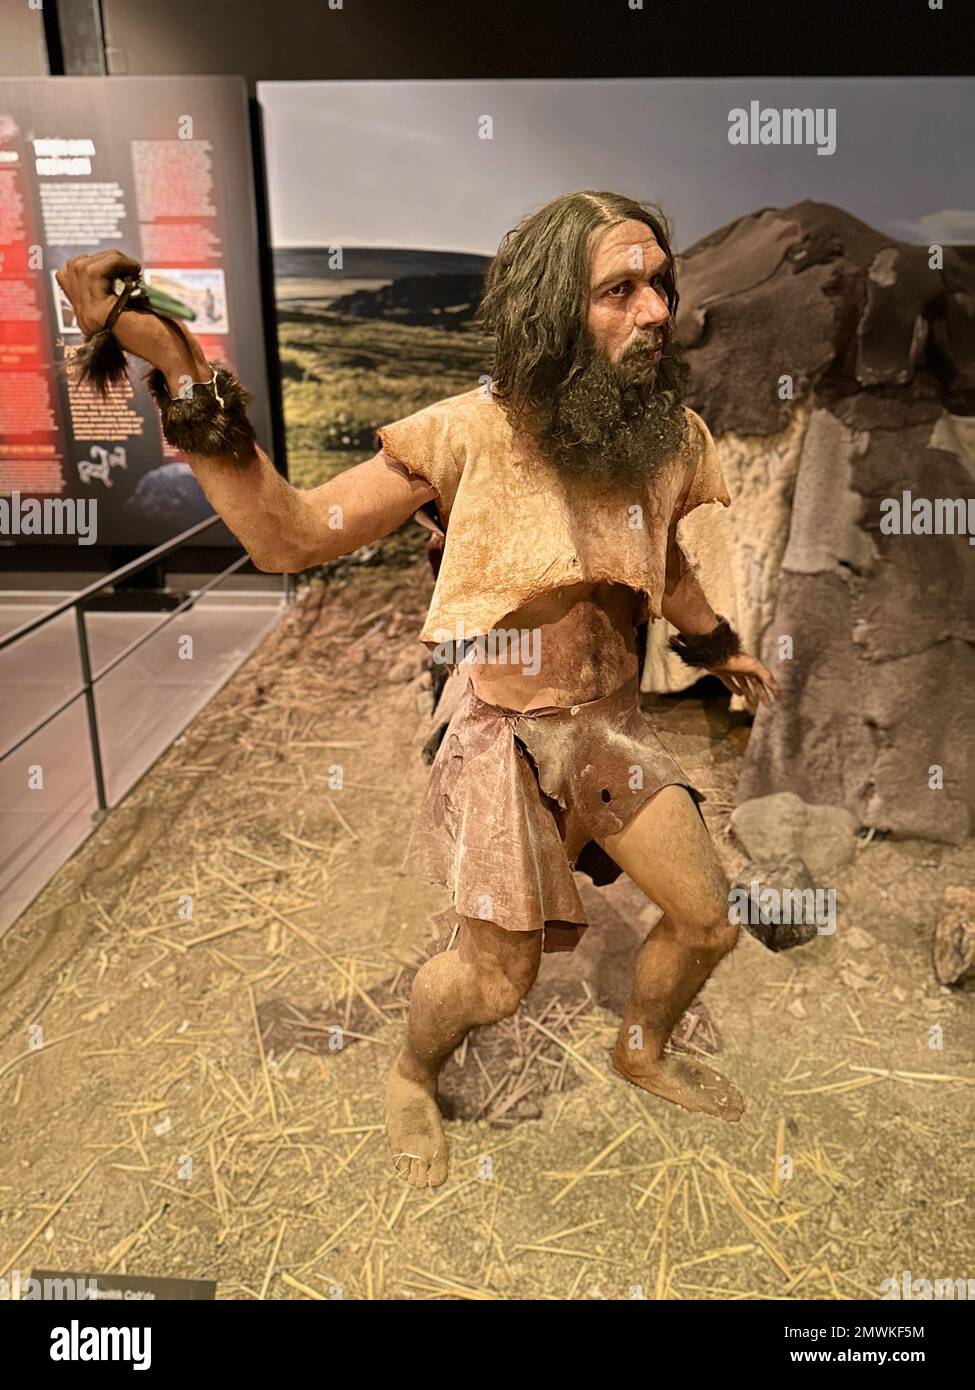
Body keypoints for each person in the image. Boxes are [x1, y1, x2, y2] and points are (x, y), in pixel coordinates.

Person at [57, 189, 777, 1191]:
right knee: (494, 979)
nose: (656, 311)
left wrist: (718, 646)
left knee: (708, 919)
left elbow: (664, 563)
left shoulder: (661, 434)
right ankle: (409, 1071)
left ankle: (640, 1046)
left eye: (659, 283)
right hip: (513, 744)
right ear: (551, 309)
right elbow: (292, 535)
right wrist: (184, 374)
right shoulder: (465, 438)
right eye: (620, 289)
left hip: (608, 741)